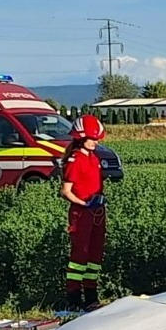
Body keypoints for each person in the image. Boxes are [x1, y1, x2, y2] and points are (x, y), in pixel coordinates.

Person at [60, 115, 108, 311]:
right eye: (92, 139)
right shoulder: (75, 159)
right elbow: (66, 191)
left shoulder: (94, 158)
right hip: (82, 213)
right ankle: (73, 297)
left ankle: (91, 296)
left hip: (97, 211)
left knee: (95, 255)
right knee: (79, 255)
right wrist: (83, 203)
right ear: (81, 138)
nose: (96, 142)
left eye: (97, 139)